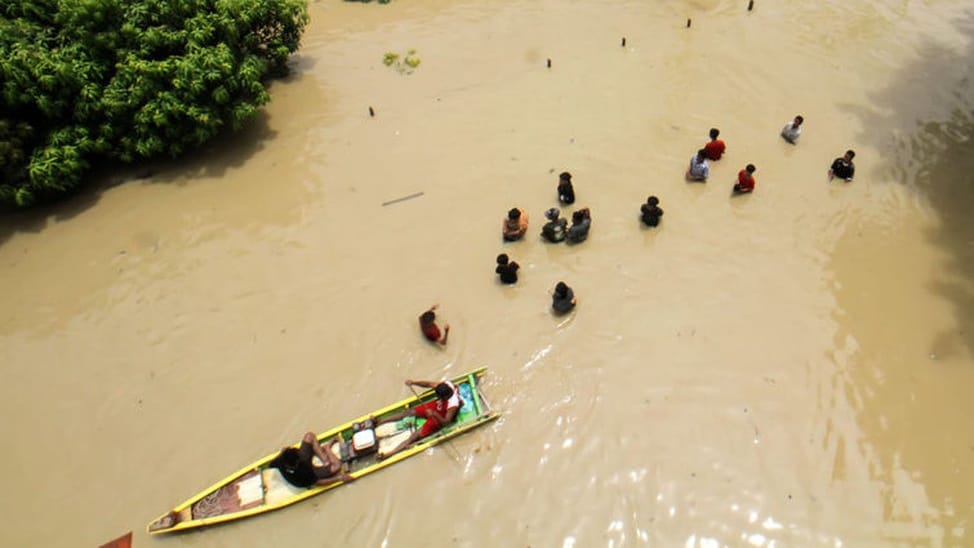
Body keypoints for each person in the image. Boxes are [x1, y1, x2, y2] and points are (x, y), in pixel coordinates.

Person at [377, 379, 462, 459]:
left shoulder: (453, 404)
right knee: (409, 412)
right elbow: (428, 384)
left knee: (415, 436)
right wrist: (414, 382)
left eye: (439, 396)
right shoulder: (445, 385)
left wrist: (434, 414)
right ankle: (381, 422)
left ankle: (390, 453)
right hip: (435, 406)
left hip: (440, 416)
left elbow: (446, 421)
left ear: (445, 397)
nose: (437, 396)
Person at [269, 432, 353, 488]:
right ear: (298, 460)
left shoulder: (280, 460)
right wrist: (340, 478)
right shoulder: (304, 472)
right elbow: (318, 482)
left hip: (298, 464)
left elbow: (270, 464)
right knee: (337, 465)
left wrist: (283, 452)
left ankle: (325, 460)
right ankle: (327, 449)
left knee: (309, 436)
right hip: (306, 475)